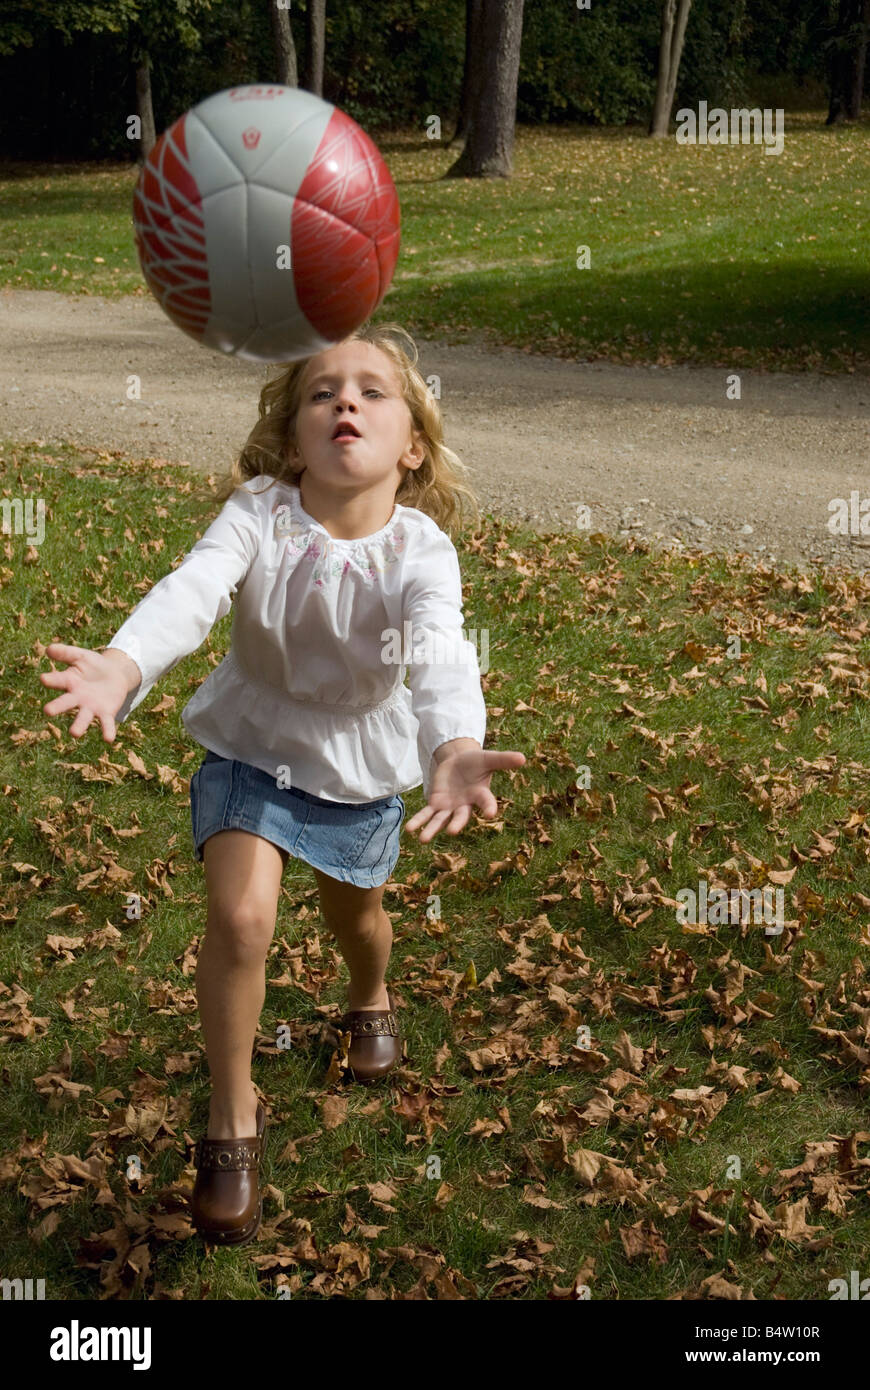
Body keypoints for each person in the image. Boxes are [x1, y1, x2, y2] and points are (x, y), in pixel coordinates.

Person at [39, 321, 525, 1246]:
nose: (346, 400)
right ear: (293, 432)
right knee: (243, 918)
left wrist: (455, 743)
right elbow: (195, 588)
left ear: (413, 443)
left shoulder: (422, 550)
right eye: (321, 391)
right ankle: (231, 1122)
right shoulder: (259, 511)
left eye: (373, 391)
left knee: (358, 917)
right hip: (253, 742)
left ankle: (370, 994)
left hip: (359, 761)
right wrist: (125, 664)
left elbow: (437, 647)